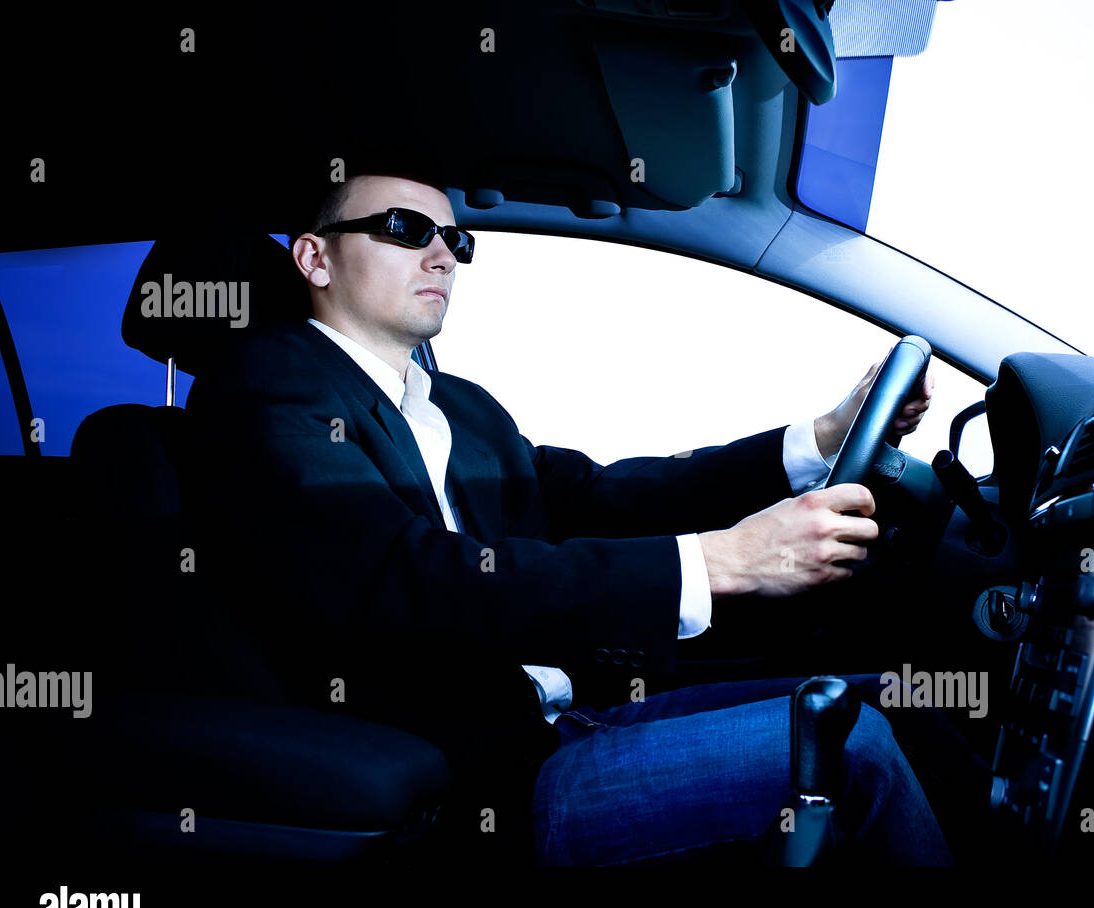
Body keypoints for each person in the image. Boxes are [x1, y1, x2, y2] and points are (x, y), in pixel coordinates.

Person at [182, 171, 953, 866]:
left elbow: (604, 497)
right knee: (848, 744)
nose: (444, 256)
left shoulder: (463, 408)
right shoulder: (266, 386)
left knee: (906, 704)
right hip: (481, 779)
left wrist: (818, 438)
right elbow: (404, 577)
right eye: (405, 231)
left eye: (455, 239)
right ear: (316, 260)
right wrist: (723, 562)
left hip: (571, 719)